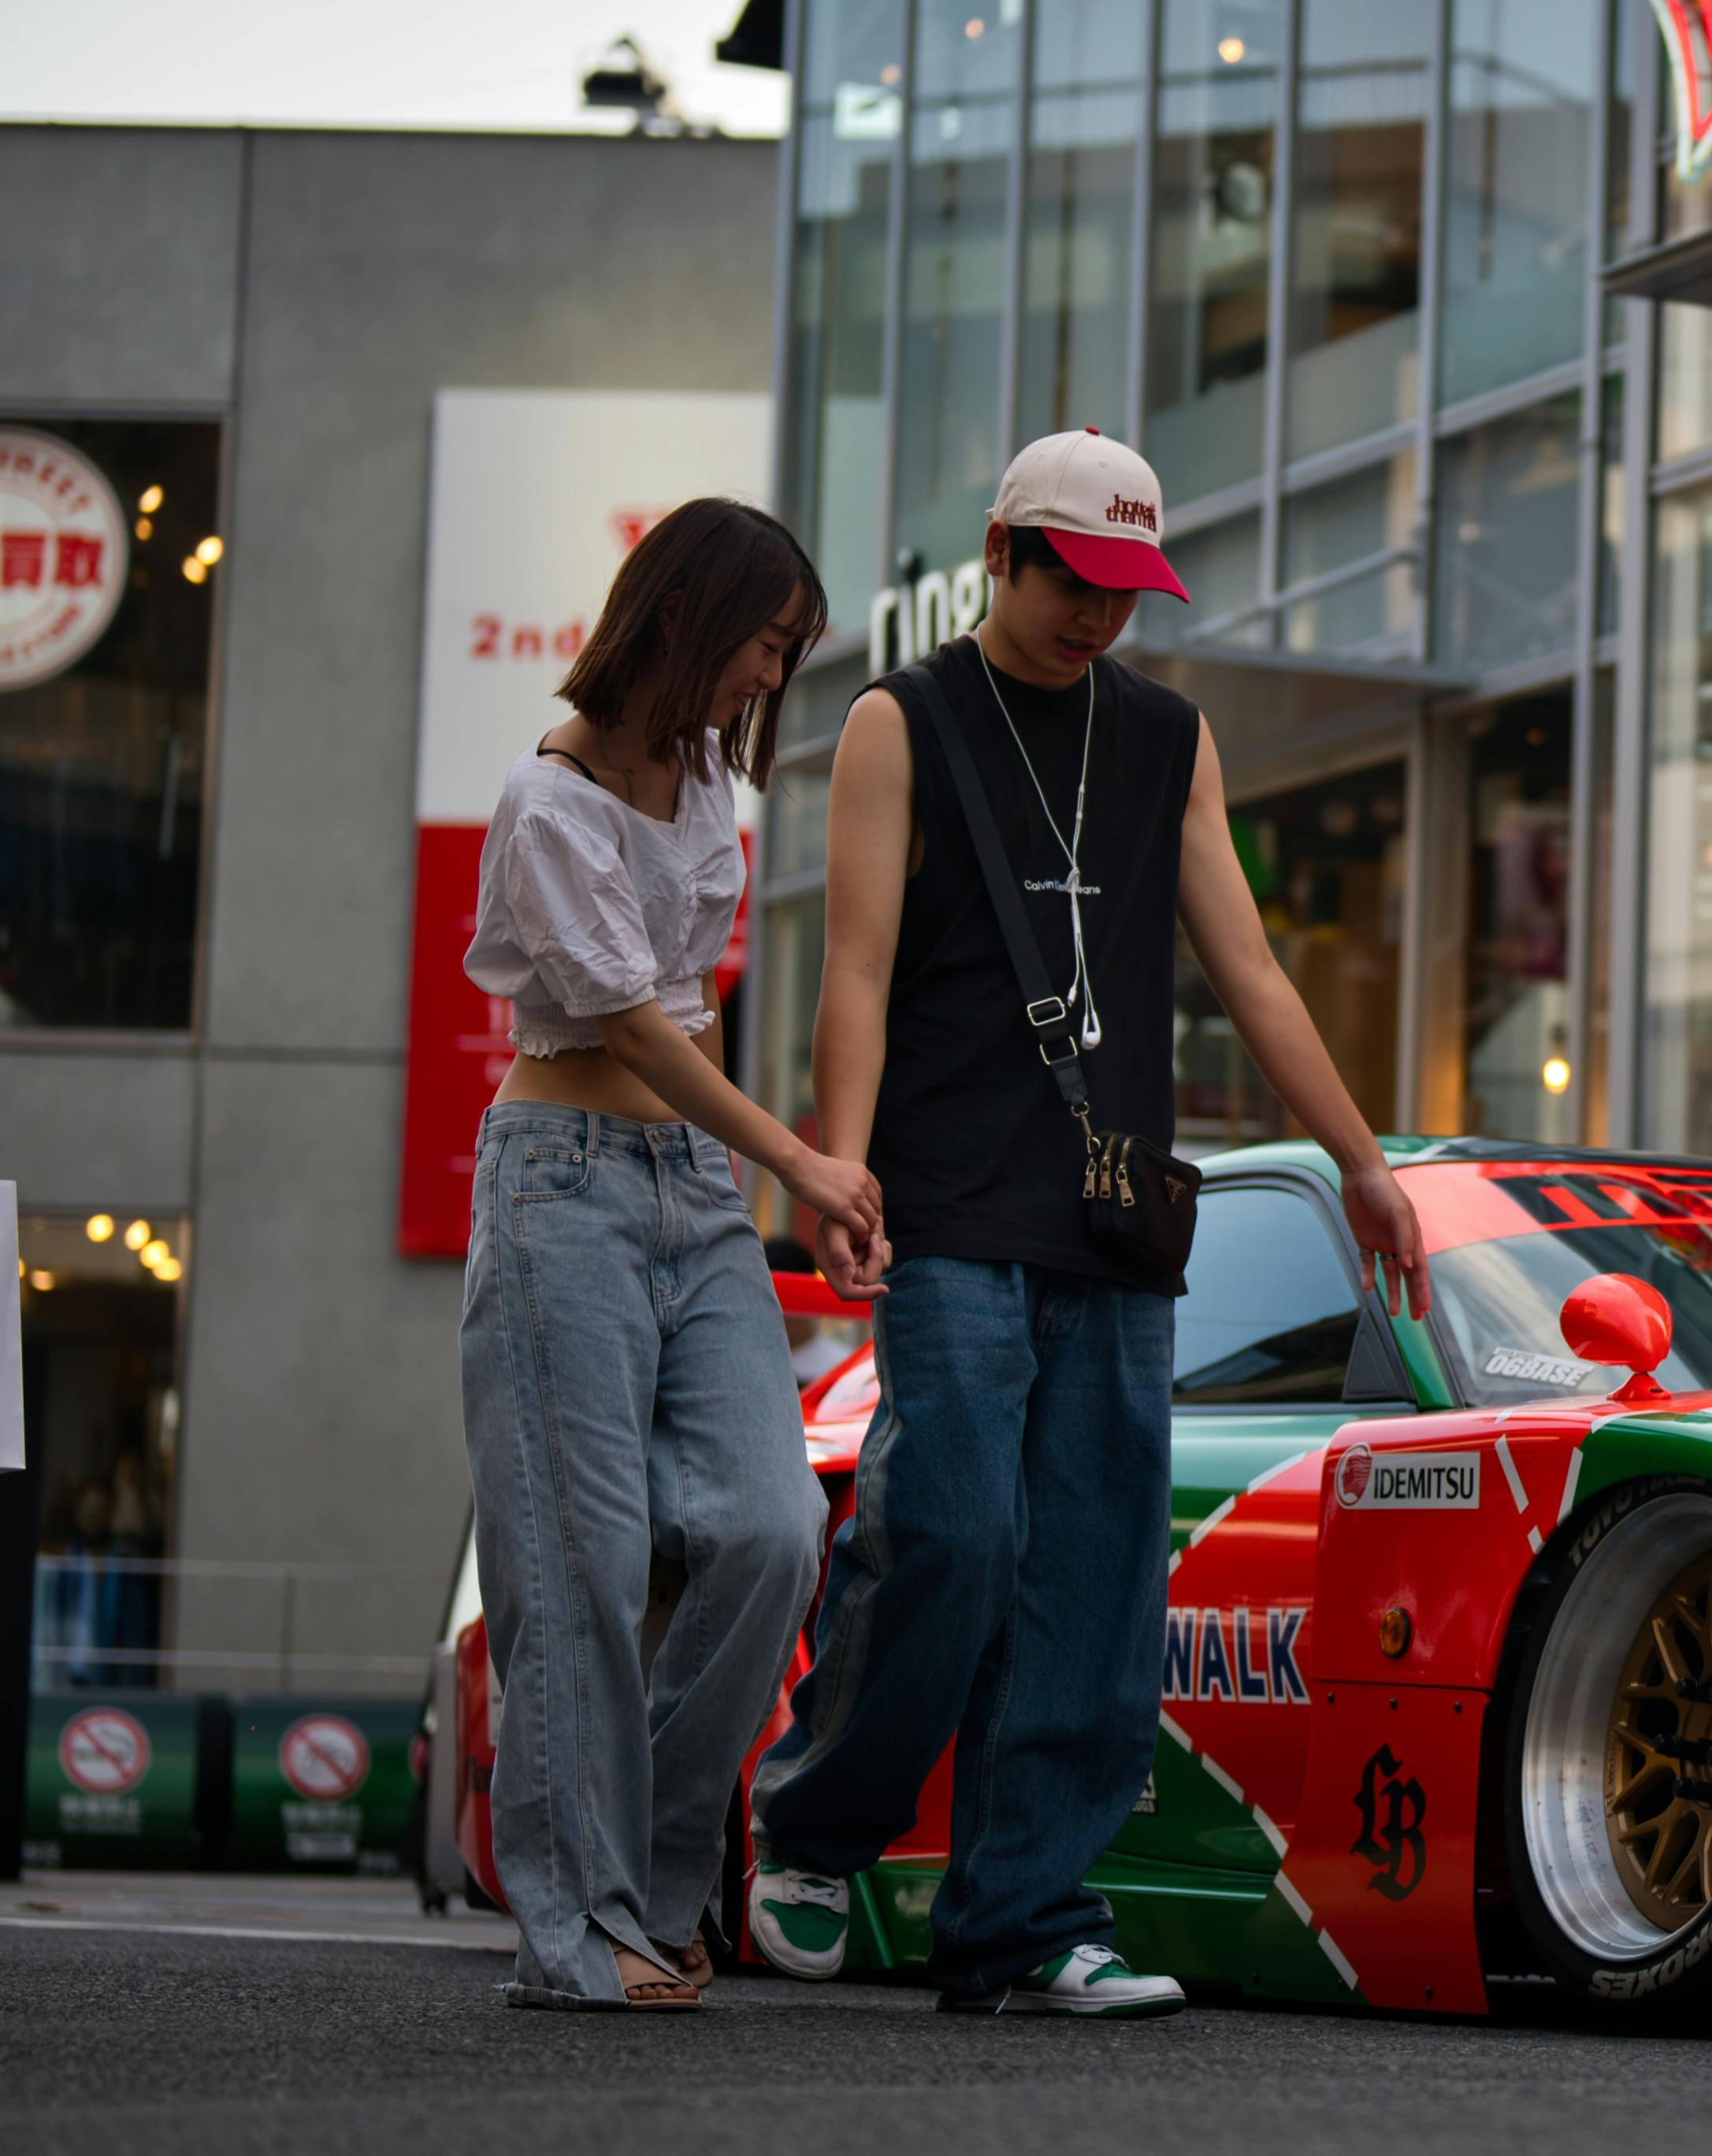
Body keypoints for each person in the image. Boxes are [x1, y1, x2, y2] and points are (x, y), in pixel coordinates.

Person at [749, 431, 1431, 2017]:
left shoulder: (1164, 737)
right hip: (949, 1200)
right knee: (955, 1528)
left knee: (1103, 1569)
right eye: (1075, 578)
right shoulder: (893, 720)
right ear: (1000, 551)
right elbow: (852, 968)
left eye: (1129, 587)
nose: (1100, 614)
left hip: (1113, 1213)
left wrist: (1358, 1158)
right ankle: (815, 1820)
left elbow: (1249, 970)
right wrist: (833, 1170)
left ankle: (1024, 1917)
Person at [458, 499, 874, 2011]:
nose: (770, 677)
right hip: (561, 1183)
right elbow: (630, 1020)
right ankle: (580, 1930)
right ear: (690, 614)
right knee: (574, 1572)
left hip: (694, 1190)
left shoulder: (702, 774)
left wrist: (764, 1174)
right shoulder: (546, 800)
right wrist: (803, 1160)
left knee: (772, 1530)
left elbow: (692, 1008)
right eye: (767, 642)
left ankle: (659, 1873)